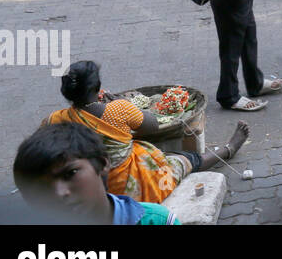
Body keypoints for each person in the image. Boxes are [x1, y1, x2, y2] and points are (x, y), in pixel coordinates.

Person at [43, 61, 249, 202]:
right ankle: (228, 149)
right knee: (184, 160)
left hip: (87, 187)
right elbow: (153, 125)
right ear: (98, 87)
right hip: (126, 184)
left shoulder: (55, 119)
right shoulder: (119, 109)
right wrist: (121, 102)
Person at [14, 122, 180, 225]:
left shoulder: (156, 221)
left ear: (102, 163)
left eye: (70, 174)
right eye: (42, 188)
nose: (59, 194)